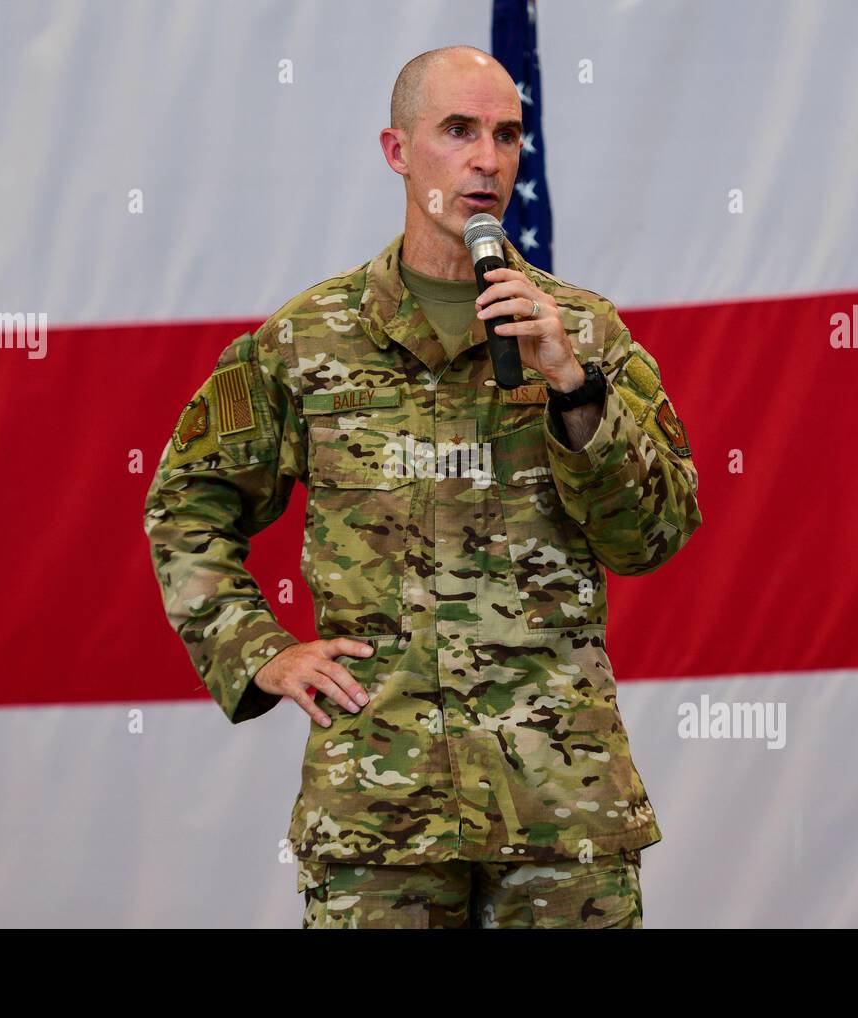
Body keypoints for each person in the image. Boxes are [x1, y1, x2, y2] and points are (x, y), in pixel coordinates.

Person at [143, 45, 702, 928]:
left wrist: (571, 385)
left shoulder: (583, 332)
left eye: (508, 135)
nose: (487, 159)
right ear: (397, 151)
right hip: (381, 816)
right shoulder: (307, 340)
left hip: (561, 816)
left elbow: (653, 536)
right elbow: (186, 505)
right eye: (458, 131)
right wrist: (256, 649)